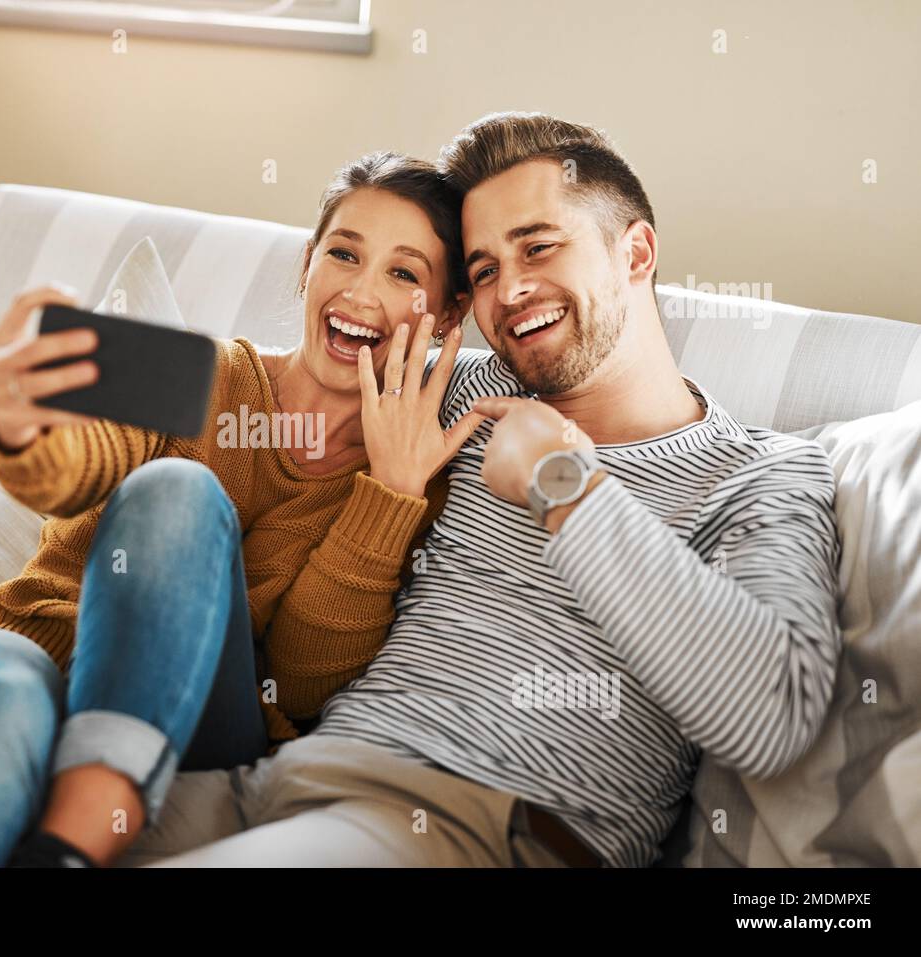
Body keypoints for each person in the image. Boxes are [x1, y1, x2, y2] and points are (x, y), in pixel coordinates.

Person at [113, 112, 843, 869]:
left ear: (636, 251)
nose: (513, 290)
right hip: (279, 780)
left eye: (538, 246)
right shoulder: (453, 399)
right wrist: (85, 375)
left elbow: (772, 717)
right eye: (485, 268)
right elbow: (275, 388)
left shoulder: (760, 473)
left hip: (471, 820)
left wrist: (566, 484)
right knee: (16, 816)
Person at [0, 151, 492, 868]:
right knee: (3, 697)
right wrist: (22, 426)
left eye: (403, 273)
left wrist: (387, 495)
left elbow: (297, 683)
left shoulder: (415, 479)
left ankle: (76, 830)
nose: (359, 289)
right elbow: (79, 459)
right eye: (343, 253)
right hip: (17, 654)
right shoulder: (190, 368)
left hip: (193, 723)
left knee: (181, 493)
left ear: (449, 313)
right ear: (307, 264)